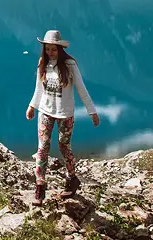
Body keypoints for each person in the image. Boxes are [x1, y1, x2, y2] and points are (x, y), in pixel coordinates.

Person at [24, 29, 99, 205]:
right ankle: (40, 186)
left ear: (60, 49)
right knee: (42, 147)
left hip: (65, 113)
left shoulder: (70, 64)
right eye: (47, 49)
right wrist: (32, 106)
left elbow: (81, 89)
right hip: (45, 111)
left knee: (64, 146)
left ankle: (72, 178)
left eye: (53, 49)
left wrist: (92, 111)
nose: (50, 52)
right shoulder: (43, 62)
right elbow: (39, 89)